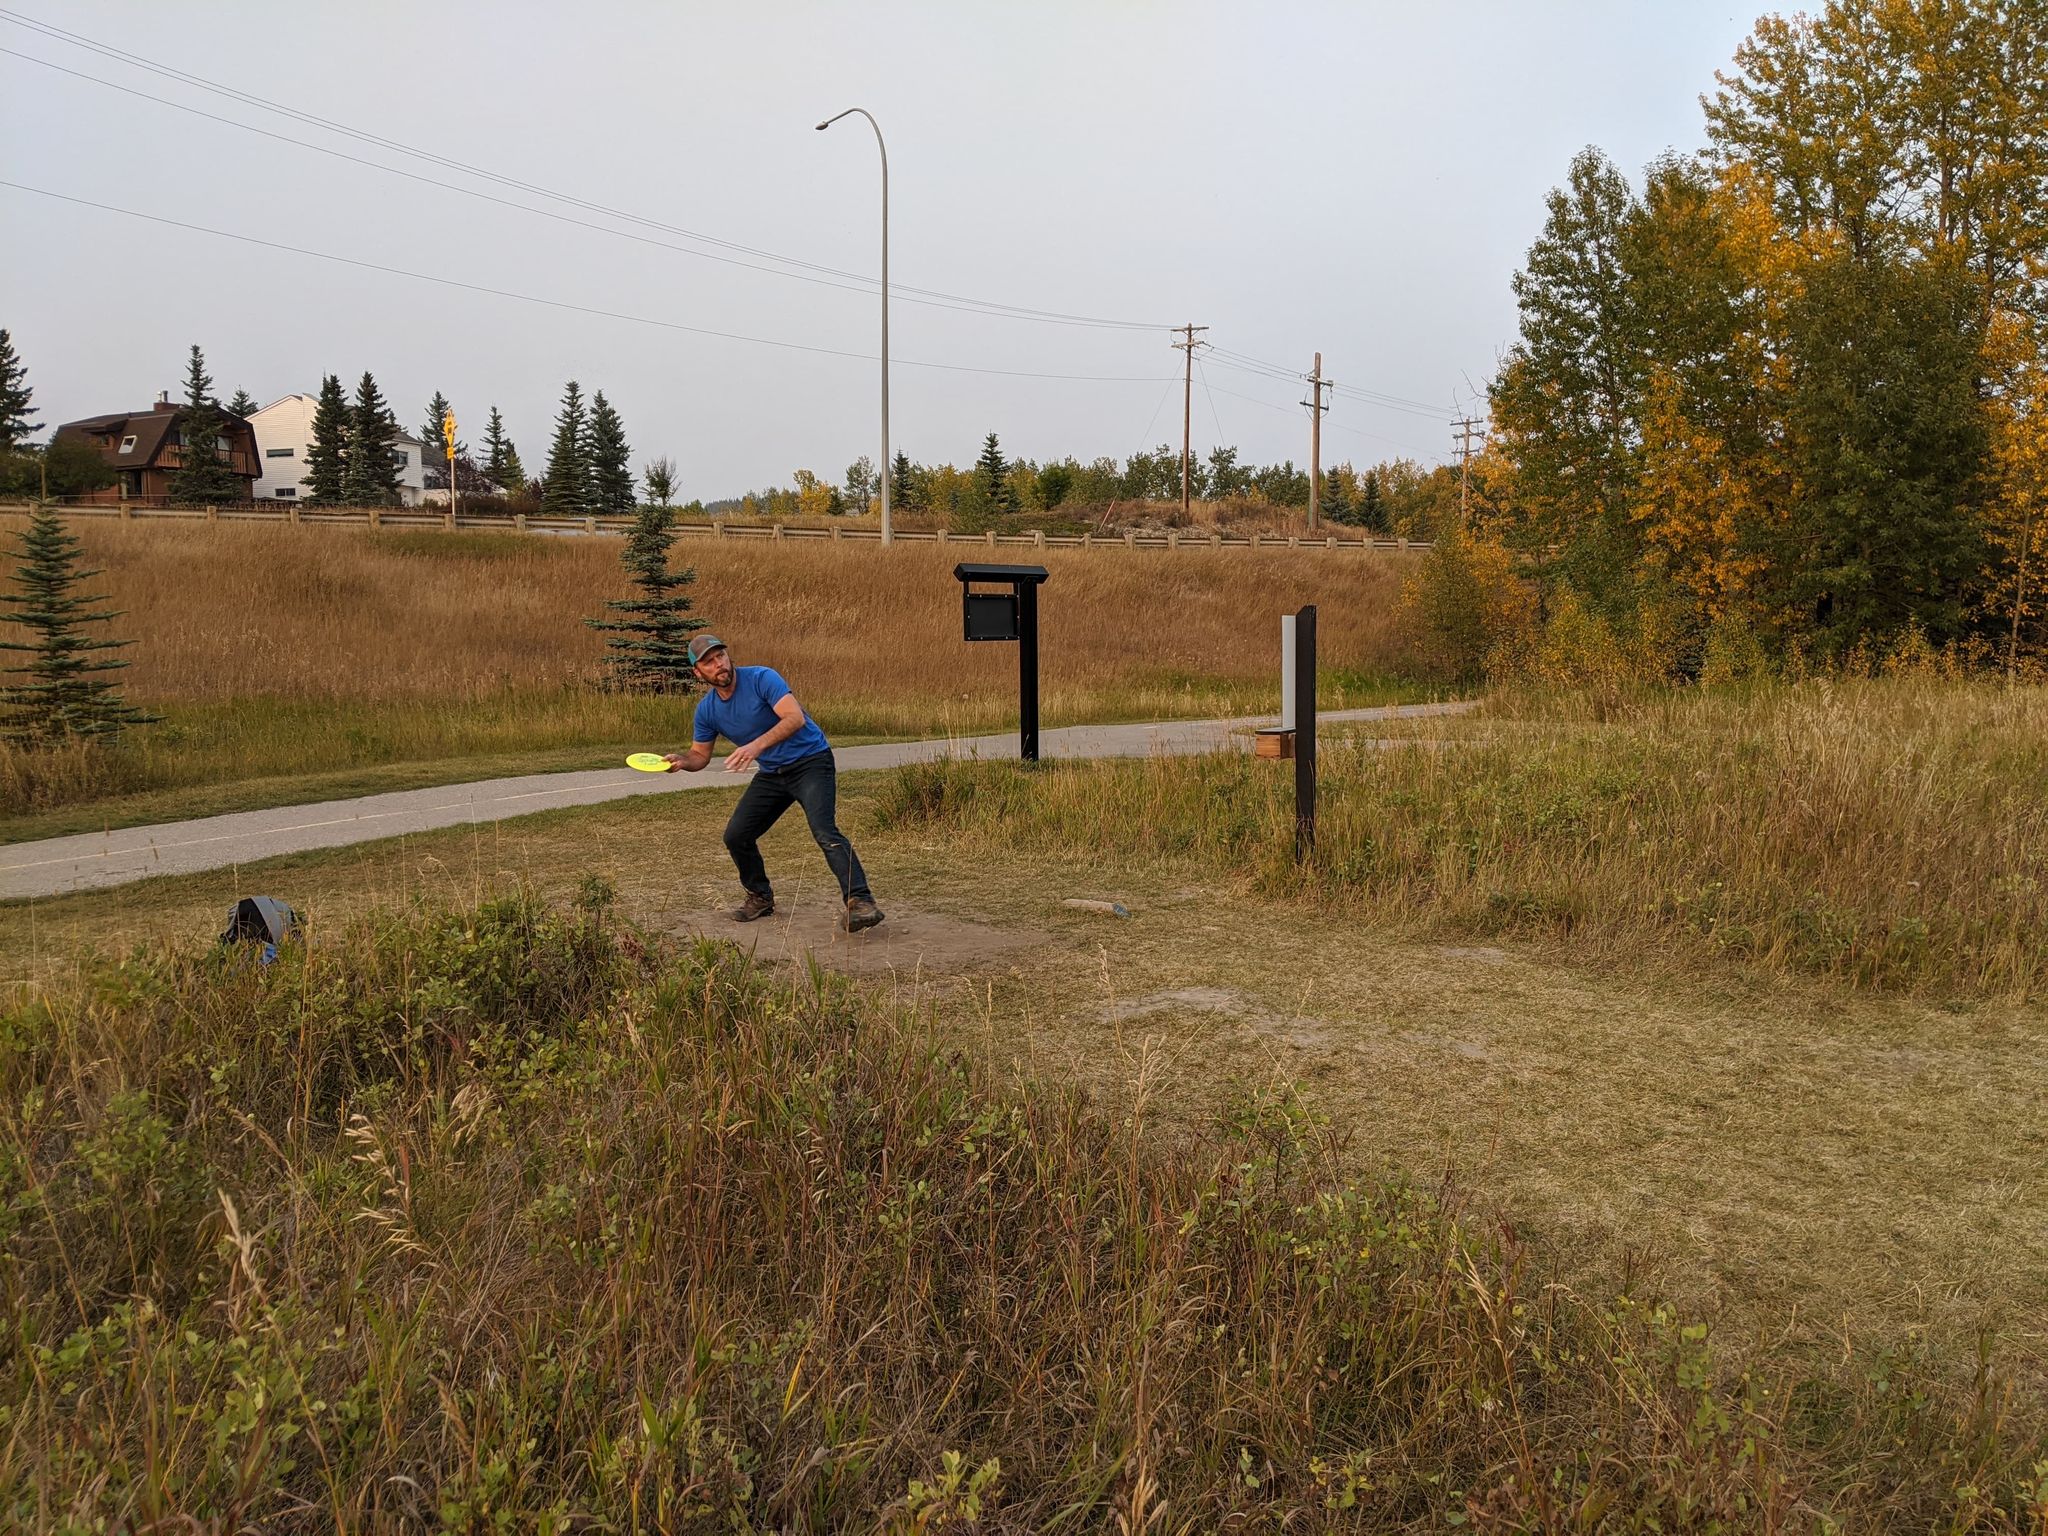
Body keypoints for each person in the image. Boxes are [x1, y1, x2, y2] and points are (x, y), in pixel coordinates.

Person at [664, 633, 885, 932]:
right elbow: (699, 755)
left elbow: (794, 718)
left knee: (824, 831)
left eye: (720, 656)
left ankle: (861, 901)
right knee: (736, 835)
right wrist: (681, 761)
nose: (719, 664)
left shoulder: (761, 678)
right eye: (709, 662)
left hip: (811, 761)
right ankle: (761, 897)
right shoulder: (707, 710)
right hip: (773, 774)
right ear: (698, 672)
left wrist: (755, 747)